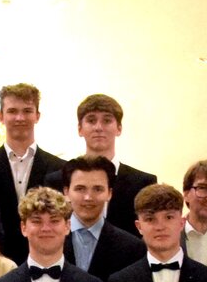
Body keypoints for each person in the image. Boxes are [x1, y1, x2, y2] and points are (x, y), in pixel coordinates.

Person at [0, 83, 65, 256]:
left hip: (46, 256)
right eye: (12, 111)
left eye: (27, 111)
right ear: (0, 116)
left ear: (37, 116)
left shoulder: (60, 168)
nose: (20, 117)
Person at [44, 94, 157, 232]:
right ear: (80, 129)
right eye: (91, 120)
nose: (98, 127)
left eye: (107, 121)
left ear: (119, 128)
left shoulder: (143, 183)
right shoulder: (56, 181)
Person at [61, 153, 153, 281]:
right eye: (80, 189)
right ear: (66, 192)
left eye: (97, 189)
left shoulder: (133, 248)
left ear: (109, 193)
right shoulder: (48, 239)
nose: (88, 197)